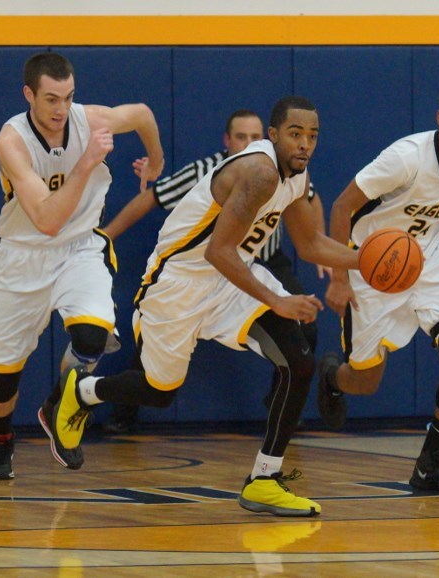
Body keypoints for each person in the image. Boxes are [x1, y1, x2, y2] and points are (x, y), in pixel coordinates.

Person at [42, 96, 361, 516]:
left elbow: (310, 243)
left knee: (299, 360)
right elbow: (218, 252)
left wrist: (367, 259)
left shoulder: (295, 178)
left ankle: (264, 479)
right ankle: (80, 391)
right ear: (273, 134)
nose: (304, 144)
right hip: (180, 283)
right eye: (295, 134)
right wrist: (277, 300)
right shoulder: (260, 172)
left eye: (312, 136)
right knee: (159, 391)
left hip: (232, 280)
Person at [0, 52, 164, 480]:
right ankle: (2, 437)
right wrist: (85, 165)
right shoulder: (12, 142)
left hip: (80, 248)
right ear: (29, 95)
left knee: (92, 336)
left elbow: (142, 114)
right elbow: (45, 220)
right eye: (50, 99)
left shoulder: (88, 119)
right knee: (3, 372)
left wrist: (155, 158)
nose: (61, 110)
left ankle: (60, 406)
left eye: (68, 97)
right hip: (23, 254)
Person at [101, 110, 325, 434]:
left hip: (258, 258)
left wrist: (329, 249)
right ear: (227, 140)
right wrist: (106, 234)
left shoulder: (291, 169)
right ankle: (117, 407)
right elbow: (153, 197)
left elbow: (309, 203)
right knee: (159, 383)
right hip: (192, 270)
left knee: (302, 338)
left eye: (254, 136)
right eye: (241, 137)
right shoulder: (210, 171)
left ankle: (280, 415)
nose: (249, 142)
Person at [317, 84, 439, 493]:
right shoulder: (406, 158)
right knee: (366, 381)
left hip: (429, 261)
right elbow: (342, 207)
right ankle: (332, 376)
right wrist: (340, 279)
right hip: (372, 265)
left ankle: (430, 464)